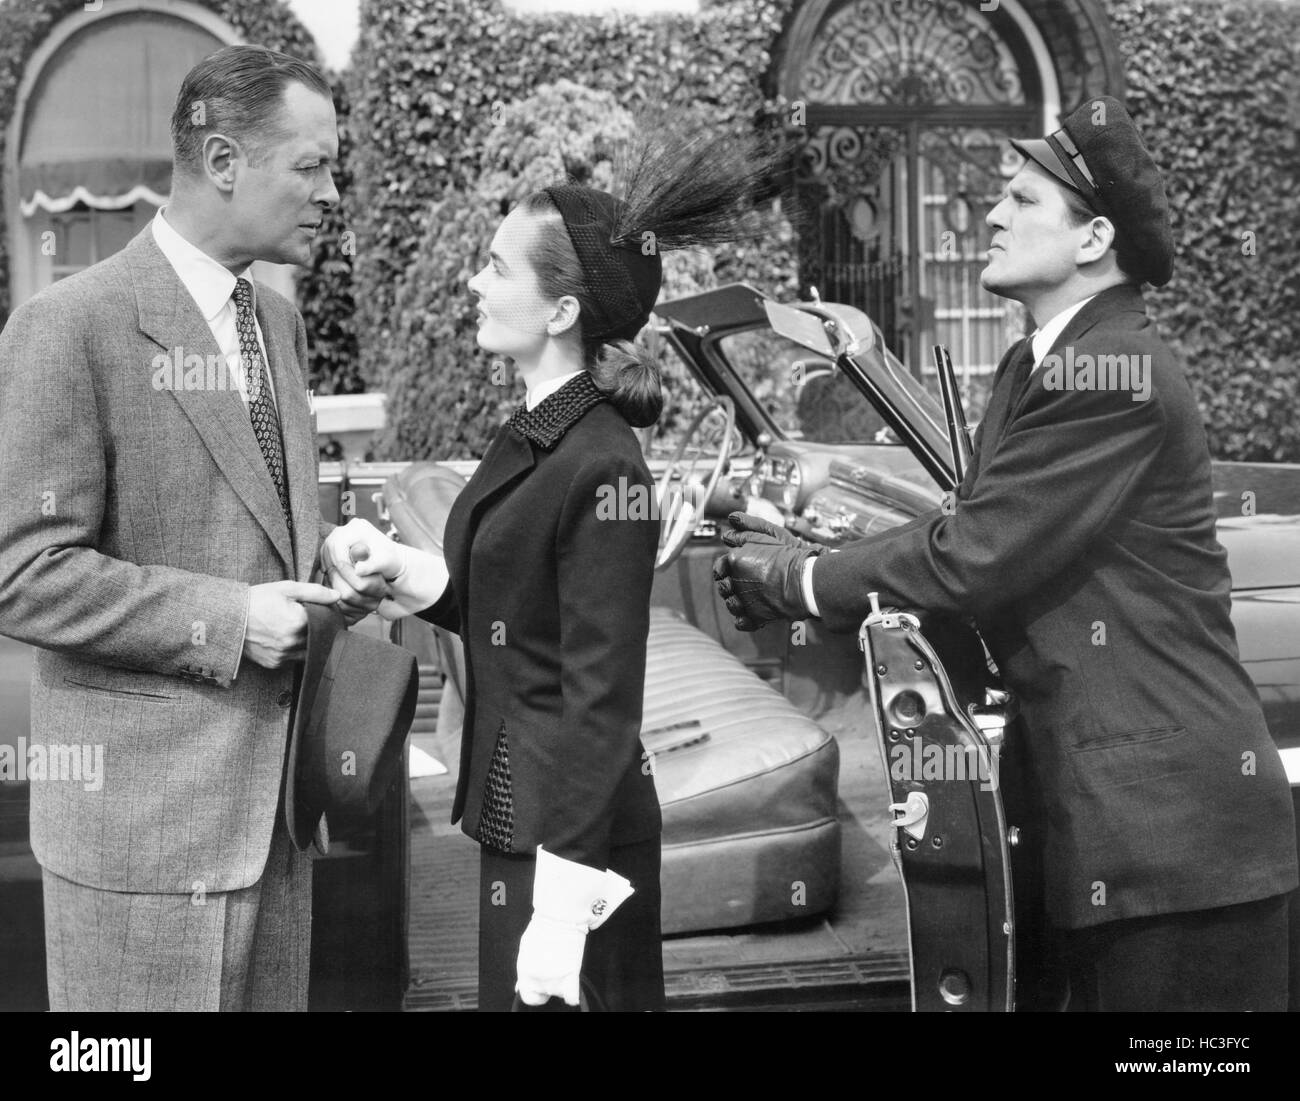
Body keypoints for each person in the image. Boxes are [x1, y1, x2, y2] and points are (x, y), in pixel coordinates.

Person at [713, 96, 1298, 1011]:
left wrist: (800, 577)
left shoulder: (1116, 371)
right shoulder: (1041, 362)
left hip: (1173, 846)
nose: (992, 215)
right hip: (1107, 824)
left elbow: (977, 552)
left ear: (1093, 237)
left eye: (1022, 200)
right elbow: (979, 524)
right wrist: (823, 555)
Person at [324, 133, 775, 1011]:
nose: (474, 284)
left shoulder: (601, 463)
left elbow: (600, 698)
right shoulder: (542, 427)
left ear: (562, 311)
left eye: (496, 268)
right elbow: (512, 604)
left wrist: (564, 908)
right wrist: (402, 569)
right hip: (523, 810)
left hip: (571, 839)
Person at [0, 45, 382, 1011]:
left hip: (278, 829)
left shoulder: (277, 324)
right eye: (312, 165)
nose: (332, 191)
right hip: (141, 847)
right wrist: (229, 617)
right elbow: (22, 572)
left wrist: (324, 549)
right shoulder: (70, 326)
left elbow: (250, 515)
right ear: (221, 162)